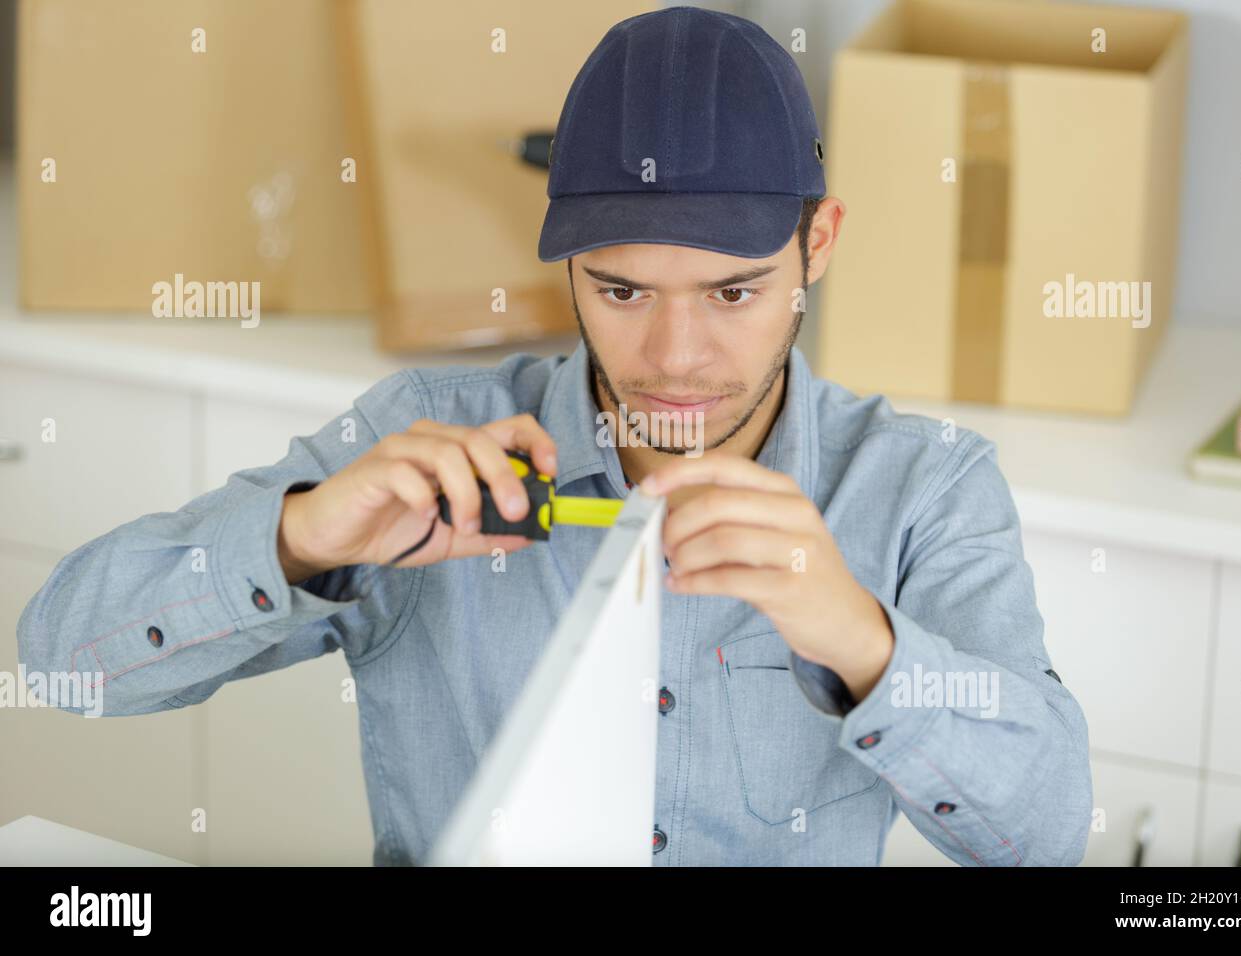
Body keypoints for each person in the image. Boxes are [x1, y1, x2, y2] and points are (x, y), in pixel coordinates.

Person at [18, 5, 1091, 866]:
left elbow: (1045, 835)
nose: (674, 356)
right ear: (561, 260)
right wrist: (299, 540)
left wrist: (864, 639)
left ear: (817, 243)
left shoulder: (926, 488)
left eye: (732, 292)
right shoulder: (423, 442)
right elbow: (62, 668)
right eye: (621, 287)